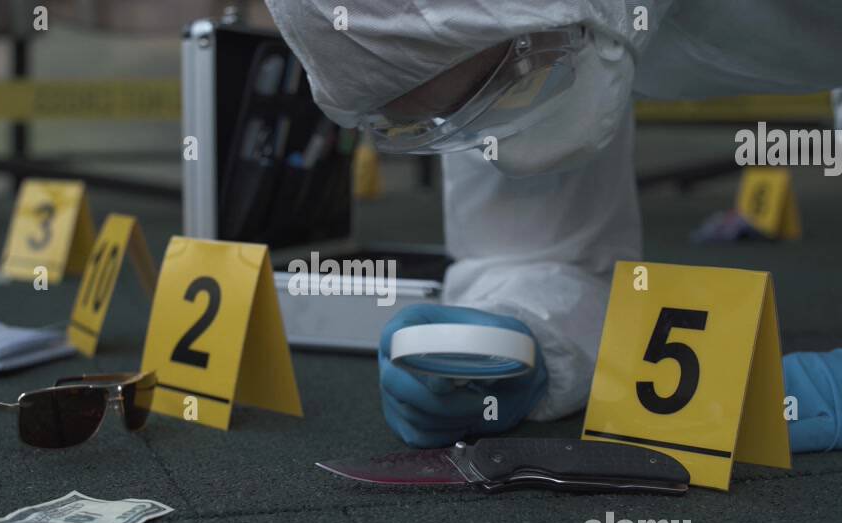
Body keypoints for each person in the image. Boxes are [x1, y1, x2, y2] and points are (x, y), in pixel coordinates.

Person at [264, 0, 842, 452]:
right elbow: (544, 256)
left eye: (504, 87)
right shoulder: (480, 33)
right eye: (441, 126)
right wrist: (525, 339)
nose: (502, 151)